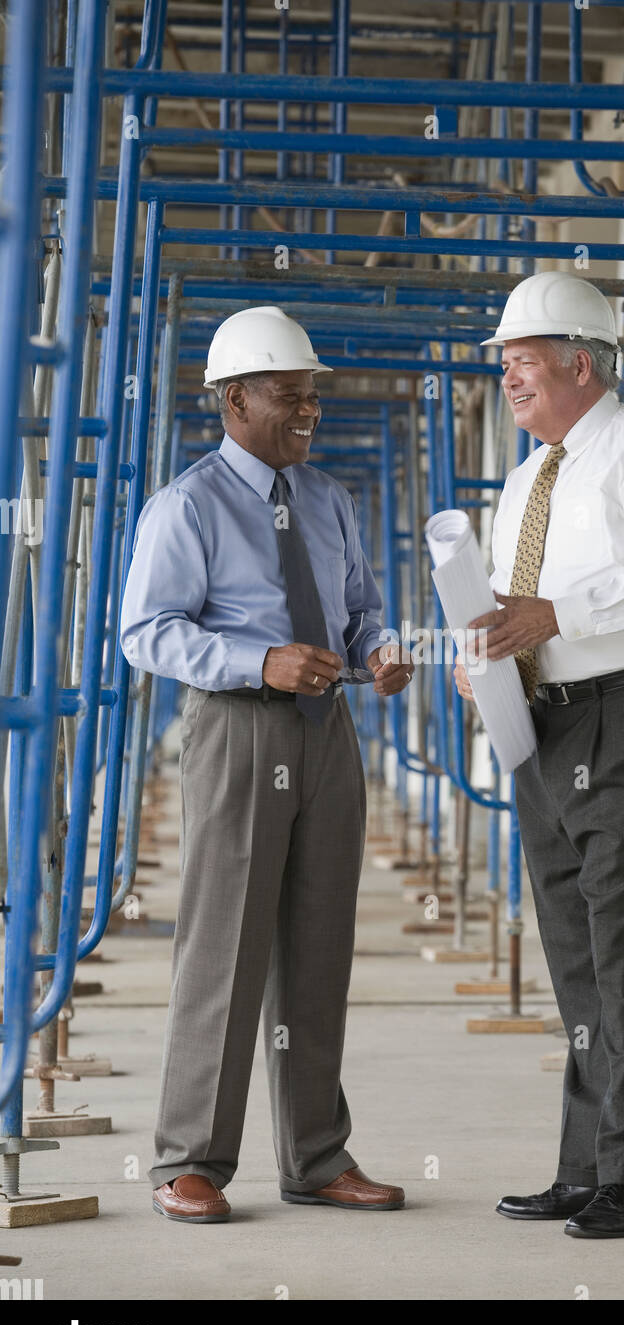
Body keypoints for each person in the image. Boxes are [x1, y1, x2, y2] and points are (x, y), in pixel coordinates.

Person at [119, 306, 413, 1223]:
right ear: (234, 399)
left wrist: (380, 650)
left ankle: (317, 1156)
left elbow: (360, 606)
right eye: (290, 395)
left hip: (327, 732)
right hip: (240, 729)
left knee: (320, 945)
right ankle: (191, 1158)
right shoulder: (188, 506)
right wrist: (259, 660)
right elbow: (146, 632)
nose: (308, 410)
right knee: (225, 945)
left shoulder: (329, 500)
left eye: (313, 396)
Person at [454, 272, 624, 1238]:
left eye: (521, 361)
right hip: (546, 721)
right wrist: (484, 652)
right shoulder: (527, 481)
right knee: (574, 948)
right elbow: (509, 601)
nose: (510, 379)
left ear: (580, 360)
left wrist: (555, 615)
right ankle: (586, 1164)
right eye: (506, 364)